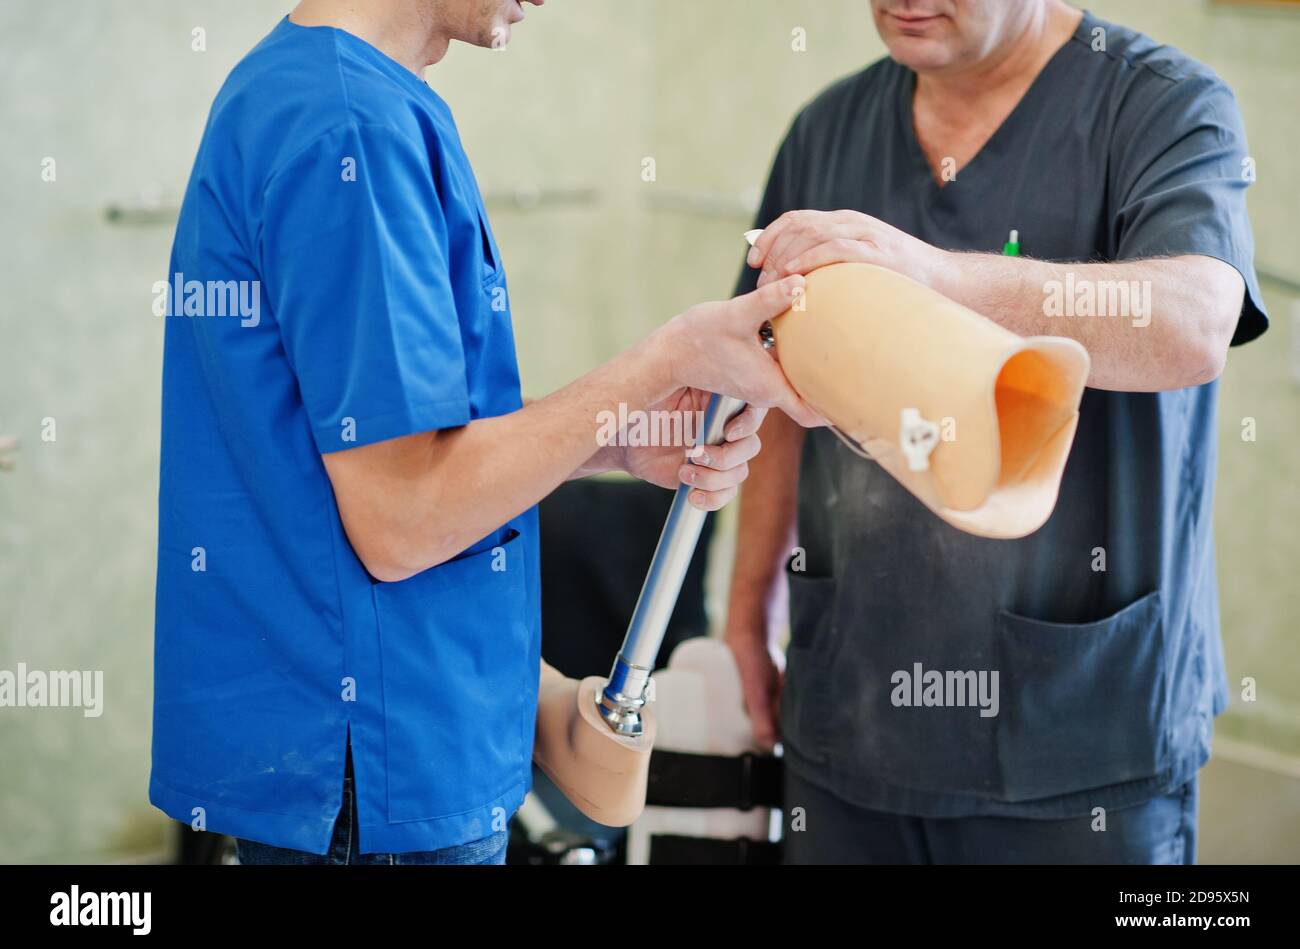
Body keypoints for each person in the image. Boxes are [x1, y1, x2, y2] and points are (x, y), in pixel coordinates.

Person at [150, 0, 817, 865]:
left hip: (369, 756)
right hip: (381, 779)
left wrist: (609, 438)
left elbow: (382, 452)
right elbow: (403, 519)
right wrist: (665, 357)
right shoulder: (352, 130)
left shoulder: (314, 93)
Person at [726, 0, 1268, 864]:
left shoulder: (1163, 106)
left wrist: (931, 274)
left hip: (1079, 740)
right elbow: (769, 376)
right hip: (850, 715)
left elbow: (1195, 324)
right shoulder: (826, 131)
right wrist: (747, 607)